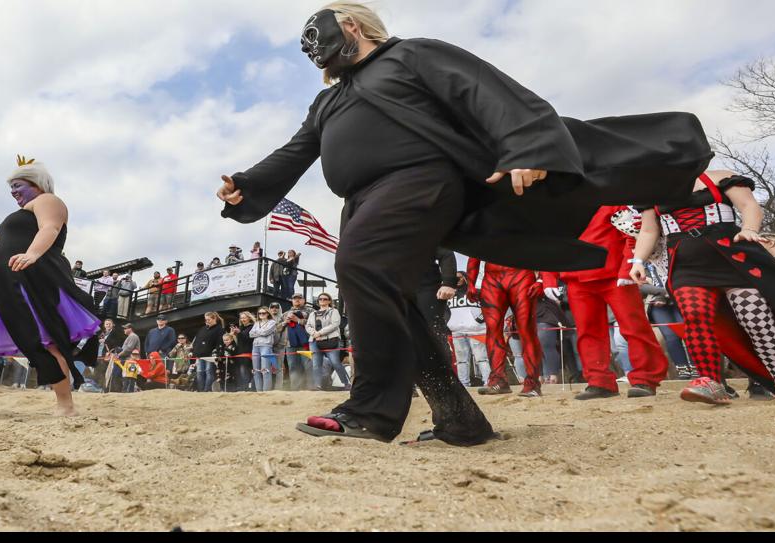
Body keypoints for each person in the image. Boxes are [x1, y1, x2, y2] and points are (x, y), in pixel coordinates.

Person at [218, 3, 707, 444]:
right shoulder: (328, 102)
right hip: (362, 200)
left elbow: (484, 91)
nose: (314, 51)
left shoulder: (411, 56)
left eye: (318, 35)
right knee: (393, 300)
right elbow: (297, 150)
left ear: (351, 24)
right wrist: (248, 185)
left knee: (360, 264)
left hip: (421, 180)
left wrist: (527, 148)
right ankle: (459, 418)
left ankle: (370, 407)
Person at [0, 157, 101, 416]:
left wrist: (33, 254)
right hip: (4, 280)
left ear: (36, 182)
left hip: (33, 276)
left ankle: (65, 405)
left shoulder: (48, 200)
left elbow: (49, 227)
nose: (13, 192)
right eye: (11, 188)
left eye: (18, 185)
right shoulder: (27, 207)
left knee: (46, 338)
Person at [631, 170, 775, 405]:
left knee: (756, 320)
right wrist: (638, 261)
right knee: (694, 315)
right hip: (686, 265)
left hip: (732, 257)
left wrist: (749, 229)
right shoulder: (652, 191)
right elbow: (649, 230)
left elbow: (749, 206)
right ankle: (710, 381)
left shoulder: (721, 177)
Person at [542, 205, 669, 399]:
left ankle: (646, 378)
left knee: (633, 327)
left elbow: (631, 234)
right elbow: (551, 242)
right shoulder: (558, 207)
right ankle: (599, 381)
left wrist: (627, 268)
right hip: (576, 278)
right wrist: (549, 277)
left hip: (614, 276)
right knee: (587, 331)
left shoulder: (612, 200)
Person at [465, 256, 543, 396]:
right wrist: (470, 282)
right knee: (493, 330)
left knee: (526, 330)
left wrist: (541, 279)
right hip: (492, 277)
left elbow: (541, 244)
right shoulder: (483, 233)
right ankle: (498, 381)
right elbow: (474, 249)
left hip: (521, 274)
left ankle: (532, 383)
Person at [304, 292, 348, 391]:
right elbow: (307, 326)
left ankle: (346, 383)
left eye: (325, 299)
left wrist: (319, 333)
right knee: (316, 364)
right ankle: (317, 386)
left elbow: (334, 324)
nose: (322, 300)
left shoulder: (334, 311)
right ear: (318, 301)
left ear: (329, 301)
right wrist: (314, 333)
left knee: (335, 362)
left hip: (330, 340)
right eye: (320, 299)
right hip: (314, 341)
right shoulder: (312, 313)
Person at [191, 311, 226, 391]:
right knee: (199, 372)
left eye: (208, 319)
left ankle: (207, 390)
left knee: (209, 371)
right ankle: (200, 390)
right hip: (200, 355)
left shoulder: (219, 329)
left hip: (210, 355)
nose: (207, 321)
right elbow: (197, 341)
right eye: (205, 320)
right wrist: (194, 352)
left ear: (214, 319)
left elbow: (220, 342)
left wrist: (218, 353)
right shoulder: (202, 329)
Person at [250, 307, 280, 392]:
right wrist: (260, 332)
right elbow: (250, 334)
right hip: (255, 346)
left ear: (267, 313)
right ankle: (259, 391)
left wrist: (257, 332)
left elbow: (265, 332)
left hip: (266, 346)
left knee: (265, 369)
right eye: (259, 313)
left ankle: (266, 391)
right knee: (256, 370)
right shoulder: (256, 323)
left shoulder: (272, 322)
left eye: (263, 313)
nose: (261, 315)